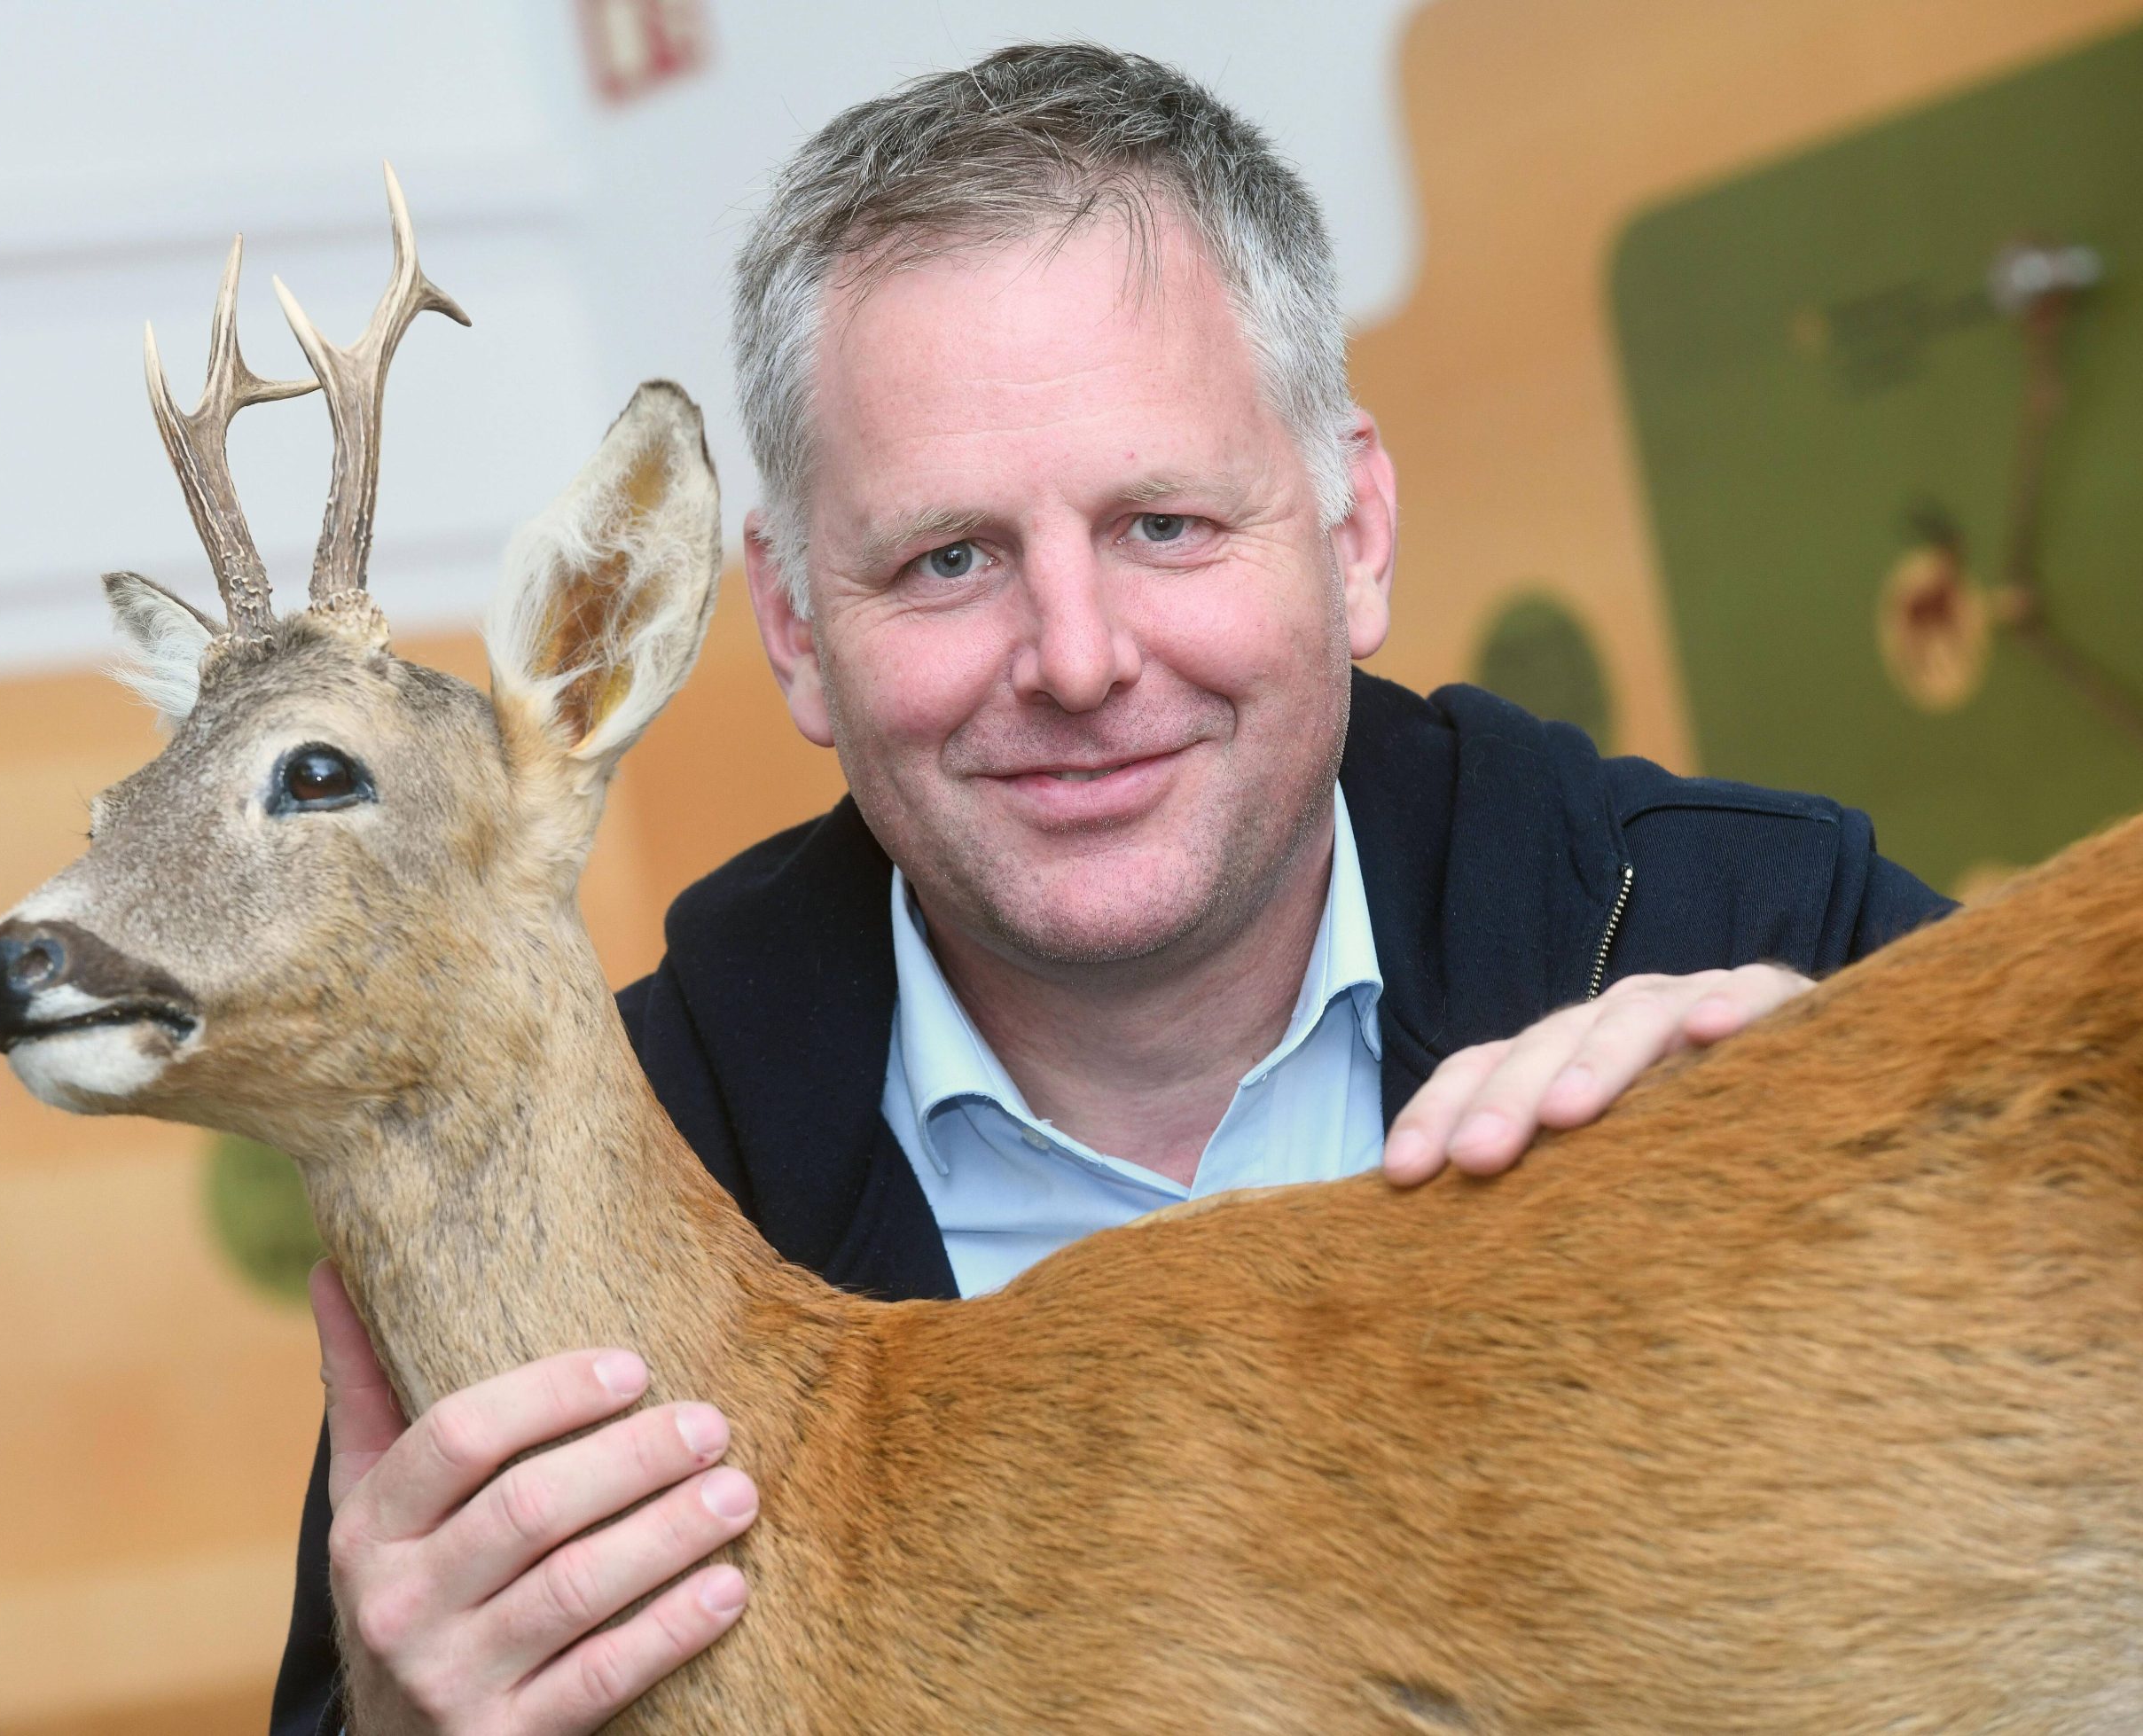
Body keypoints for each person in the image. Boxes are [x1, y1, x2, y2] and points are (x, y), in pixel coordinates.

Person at [270, 43, 1950, 1735]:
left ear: (1352, 530)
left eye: (1162, 523)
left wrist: (1892, 1156)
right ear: (791, 625)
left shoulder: (1775, 942)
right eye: (950, 559)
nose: (1075, 660)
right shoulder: (574, 1192)